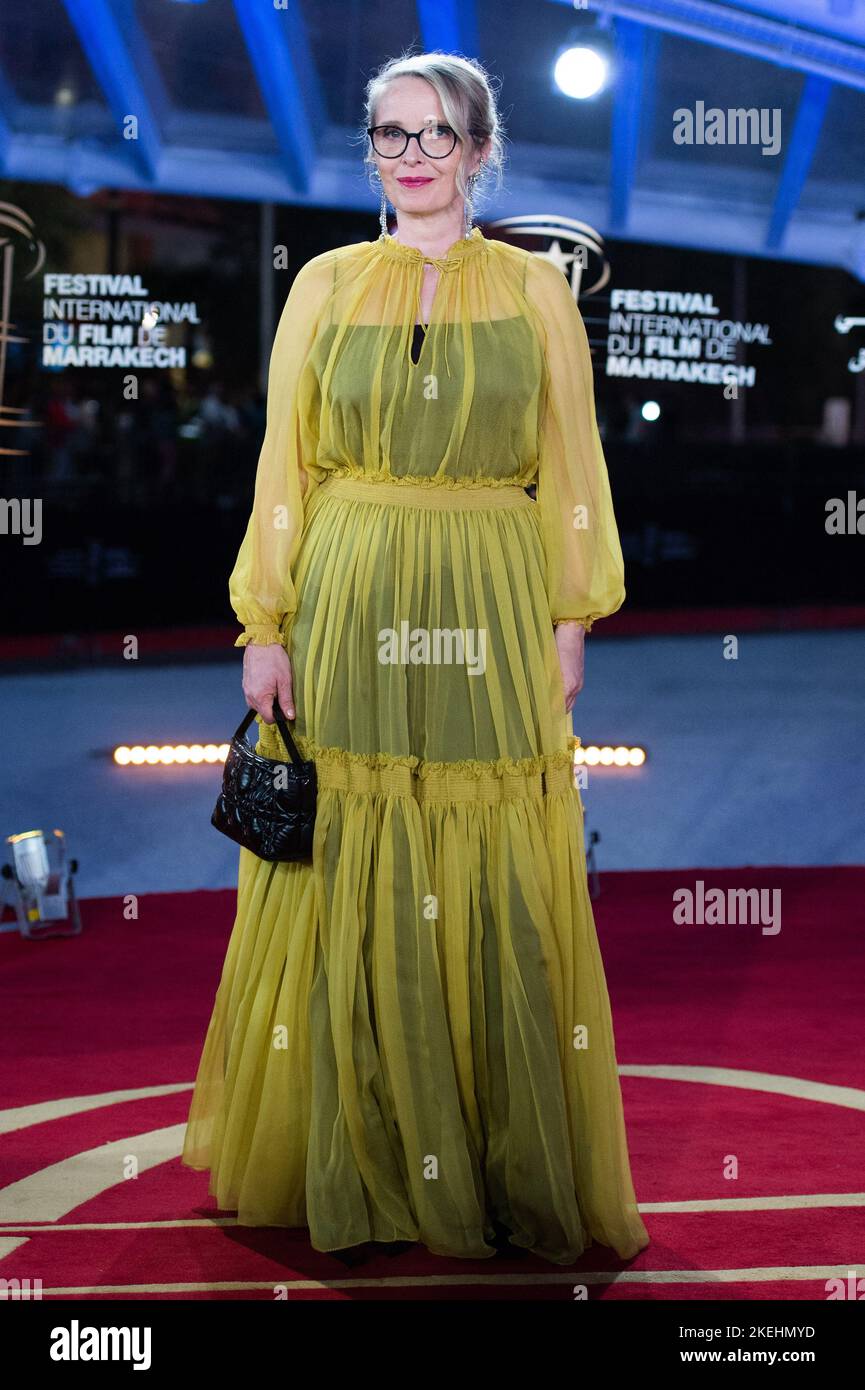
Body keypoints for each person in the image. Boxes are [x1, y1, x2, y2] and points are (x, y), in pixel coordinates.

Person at [182, 50, 650, 1268]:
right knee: (349, 854)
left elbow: (574, 465)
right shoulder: (326, 285)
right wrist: (265, 623)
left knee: (495, 863)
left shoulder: (536, 290)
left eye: (436, 134)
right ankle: (366, 1154)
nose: (412, 156)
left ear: (482, 148)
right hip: (346, 593)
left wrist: (569, 617)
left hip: (494, 596)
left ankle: (494, 1155)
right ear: (372, 150)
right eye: (390, 134)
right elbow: (284, 466)